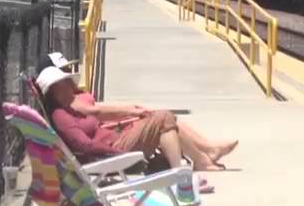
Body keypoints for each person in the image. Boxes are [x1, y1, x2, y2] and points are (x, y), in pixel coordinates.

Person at [34, 65, 238, 173]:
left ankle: (203, 156)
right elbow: (85, 146)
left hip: (117, 137)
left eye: (66, 82)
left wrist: (129, 117)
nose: (68, 85)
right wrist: (119, 156)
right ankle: (182, 172)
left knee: (163, 118)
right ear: (53, 92)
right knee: (163, 117)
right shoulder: (61, 115)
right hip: (116, 148)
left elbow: (98, 118)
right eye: (61, 84)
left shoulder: (71, 105)